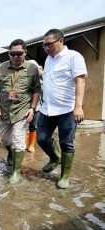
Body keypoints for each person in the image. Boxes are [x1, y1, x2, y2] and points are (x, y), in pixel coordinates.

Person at [37, 29, 87, 189]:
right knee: (42, 138)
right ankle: (54, 158)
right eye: (44, 45)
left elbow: (80, 81)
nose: (46, 47)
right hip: (47, 109)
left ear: (61, 41)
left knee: (67, 143)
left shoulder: (74, 57)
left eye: (49, 44)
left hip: (67, 109)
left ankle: (65, 176)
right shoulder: (48, 60)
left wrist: (78, 107)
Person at [0, 39, 41, 184]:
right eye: (12, 54)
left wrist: (32, 108)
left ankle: (16, 172)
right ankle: (11, 154)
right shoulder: (1, 67)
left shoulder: (32, 68)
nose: (15, 57)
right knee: (5, 140)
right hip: (4, 111)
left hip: (22, 111)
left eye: (19, 54)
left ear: (25, 53)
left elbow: (37, 90)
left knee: (18, 141)